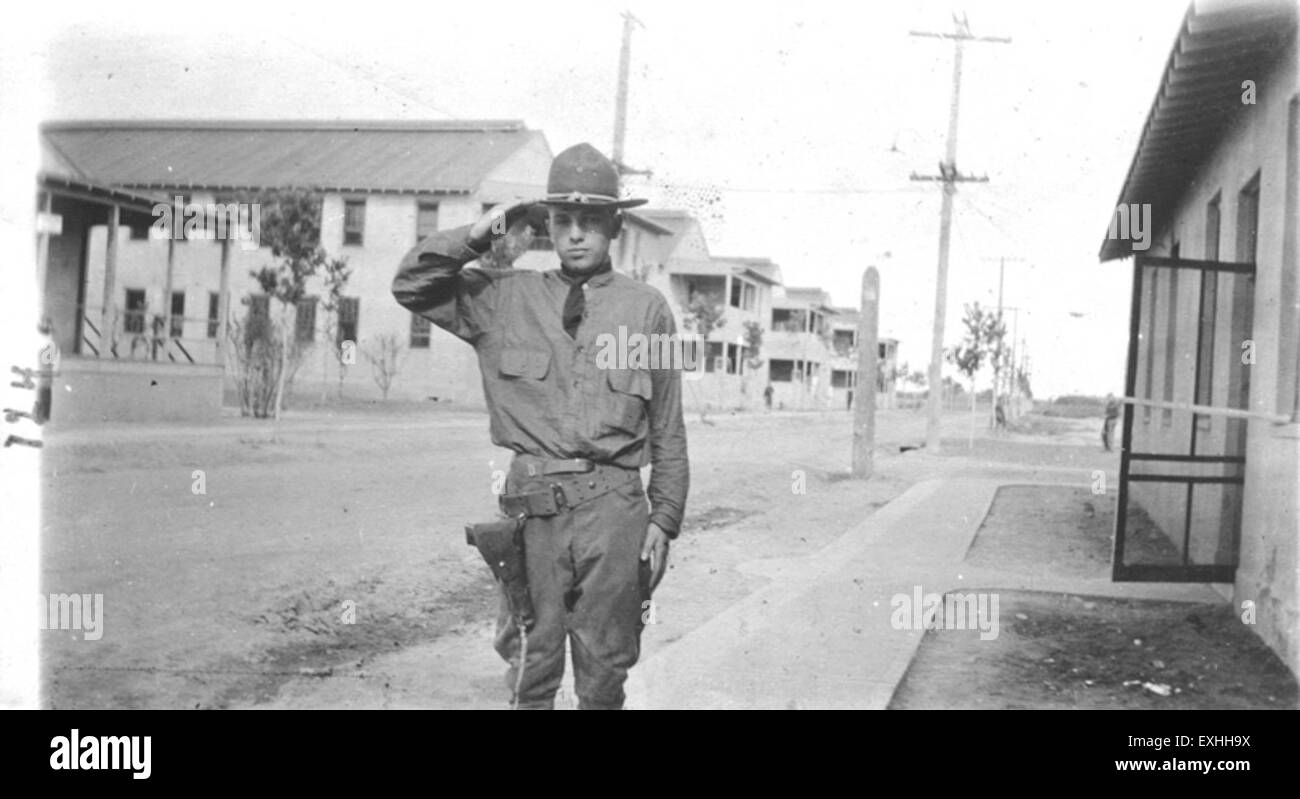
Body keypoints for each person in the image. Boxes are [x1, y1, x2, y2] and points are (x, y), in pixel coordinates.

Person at [392, 143, 689, 710]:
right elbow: (413, 287)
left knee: (605, 668)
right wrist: (479, 236)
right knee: (531, 661)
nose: (576, 234)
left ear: (615, 225)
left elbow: (668, 425)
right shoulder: (503, 296)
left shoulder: (646, 309)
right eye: (563, 221)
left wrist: (666, 519)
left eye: (591, 221)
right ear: (546, 225)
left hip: (615, 511)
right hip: (534, 509)